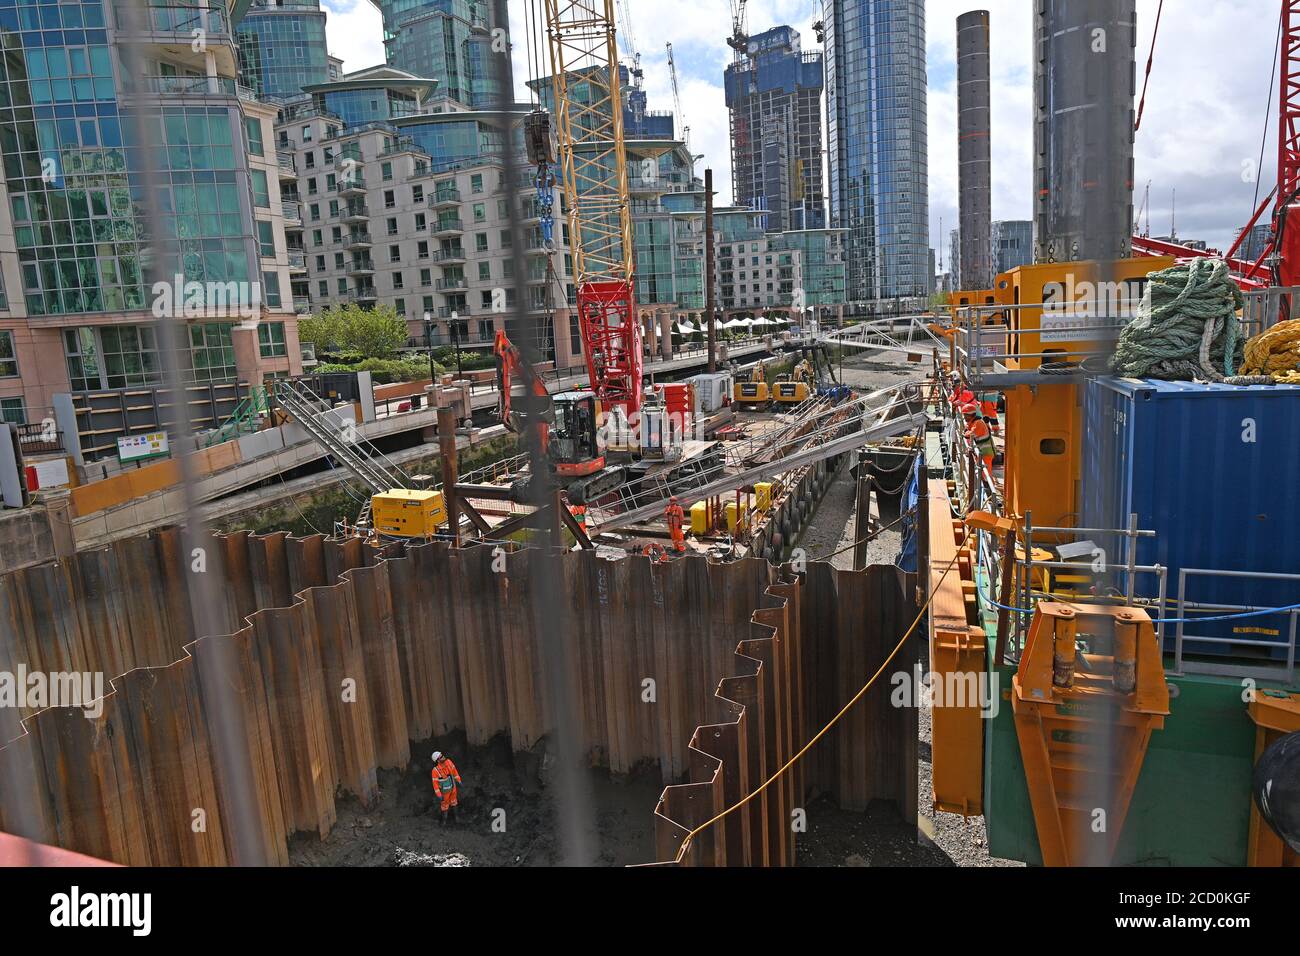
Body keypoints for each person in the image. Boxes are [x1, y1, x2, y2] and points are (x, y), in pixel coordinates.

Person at [431, 751, 463, 825]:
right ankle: (444, 822)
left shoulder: (448, 762)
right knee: (445, 806)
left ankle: (457, 818)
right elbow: (435, 784)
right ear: (437, 760)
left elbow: (455, 771)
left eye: (442, 755)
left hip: (453, 789)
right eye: (441, 757)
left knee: (454, 803)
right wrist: (439, 795)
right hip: (444, 792)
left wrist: (458, 780)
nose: (443, 757)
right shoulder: (435, 771)